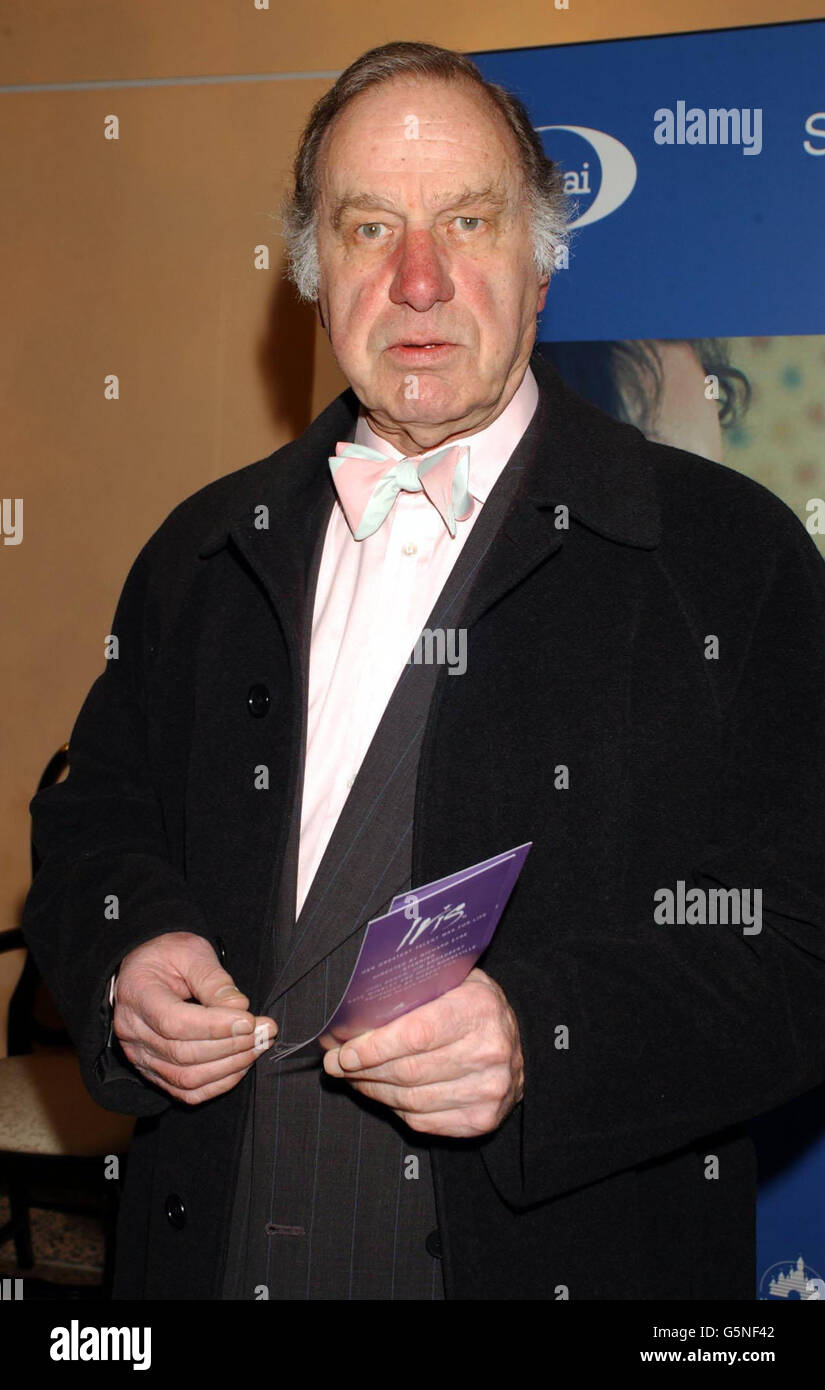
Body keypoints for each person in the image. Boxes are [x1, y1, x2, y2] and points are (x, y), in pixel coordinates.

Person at [22, 39, 825, 1301]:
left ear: (543, 261)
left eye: (468, 219)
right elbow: (91, 819)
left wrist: (542, 1039)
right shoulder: (203, 546)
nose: (418, 278)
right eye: (369, 227)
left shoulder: (729, 558)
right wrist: (129, 951)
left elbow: (800, 940)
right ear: (312, 272)